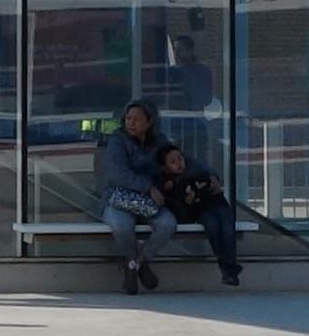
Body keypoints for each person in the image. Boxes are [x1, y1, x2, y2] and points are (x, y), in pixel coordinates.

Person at [94, 100, 241, 292]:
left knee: (167, 224)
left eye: (136, 119)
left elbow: (185, 161)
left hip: (150, 202)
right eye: (128, 118)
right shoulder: (117, 140)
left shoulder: (160, 141)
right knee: (122, 226)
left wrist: (212, 175)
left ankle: (138, 262)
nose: (130, 123)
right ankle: (132, 264)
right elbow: (117, 173)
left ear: (149, 122)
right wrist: (148, 187)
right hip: (119, 199)